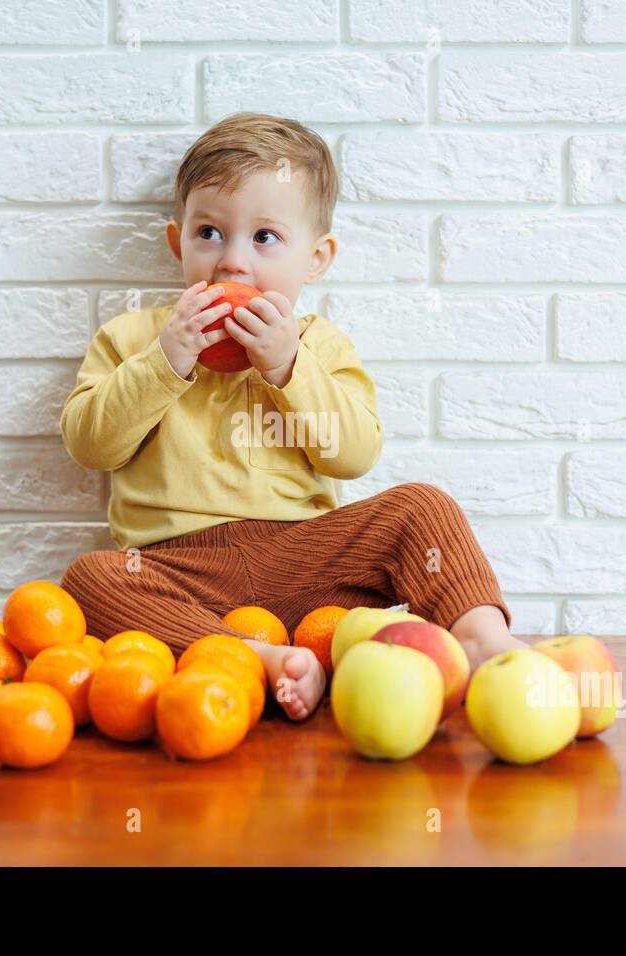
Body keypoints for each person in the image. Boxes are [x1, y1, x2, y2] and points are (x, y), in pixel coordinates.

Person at [60, 112, 525, 721]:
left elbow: (354, 455)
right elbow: (92, 445)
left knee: (422, 506)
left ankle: (483, 642)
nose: (231, 262)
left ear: (316, 258)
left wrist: (289, 368)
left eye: (265, 238)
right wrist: (164, 362)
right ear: (177, 244)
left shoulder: (321, 346)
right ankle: (252, 658)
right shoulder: (133, 339)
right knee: (91, 577)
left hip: (304, 562)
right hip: (180, 570)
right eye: (209, 233)